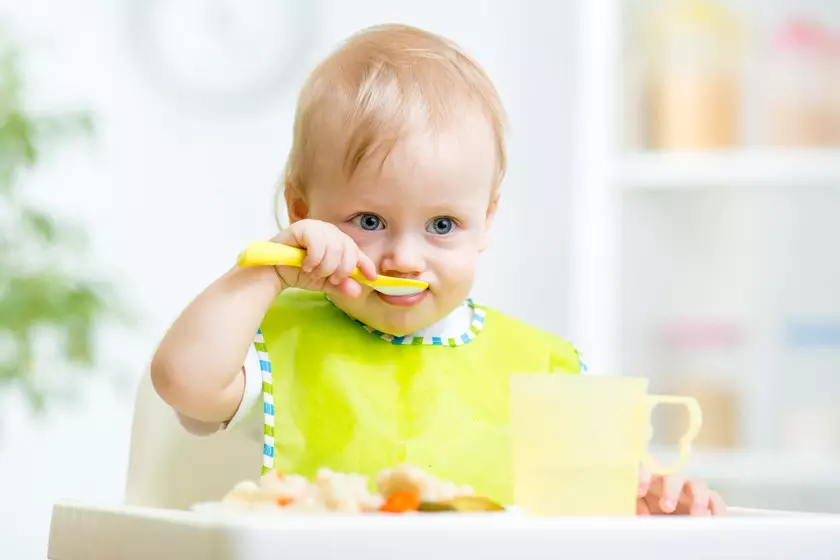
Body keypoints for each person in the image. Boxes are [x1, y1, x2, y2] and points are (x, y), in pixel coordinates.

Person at [150, 23, 725, 516]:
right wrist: (266, 271)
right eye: (369, 221)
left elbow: (589, 512)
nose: (404, 257)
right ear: (305, 214)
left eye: (443, 225)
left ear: (486, 220)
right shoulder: (276, 341)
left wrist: (646, 503)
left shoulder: (543, 370)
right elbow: (181, 380)